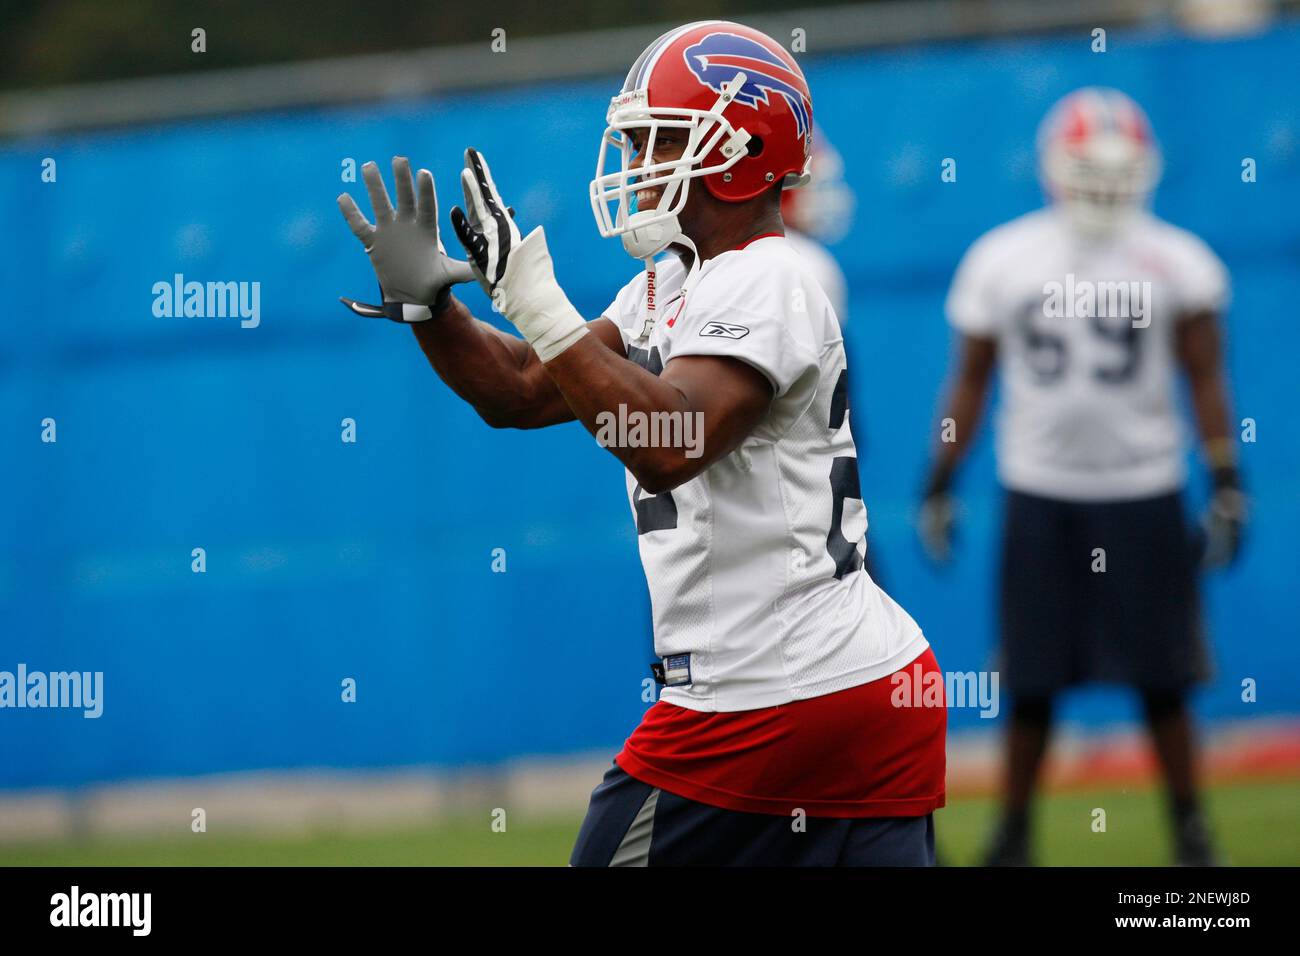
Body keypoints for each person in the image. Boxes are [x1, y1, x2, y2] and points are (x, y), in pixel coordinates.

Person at [338, 20, 945, 866]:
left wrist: (536, 299)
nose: (636, 162)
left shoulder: (772, 275)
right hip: (853, 685)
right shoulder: (674, 279)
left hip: (765, 696)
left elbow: (670, 440)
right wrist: (434, 312)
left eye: (660, 138)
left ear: (738, 147)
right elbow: (517, 390)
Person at [918, 87, 1246, 866]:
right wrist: (941, 476)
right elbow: (970, 381)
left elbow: (1206, 378)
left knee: (1163, 677)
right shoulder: (1006, 257)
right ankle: (1014, 835)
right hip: (1040, 487)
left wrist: (1228, 476)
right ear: (1051, 168)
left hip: (1144, 487)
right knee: (1032, 678)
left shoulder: (1177, 261)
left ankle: (1193, 835)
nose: (1103, 186)